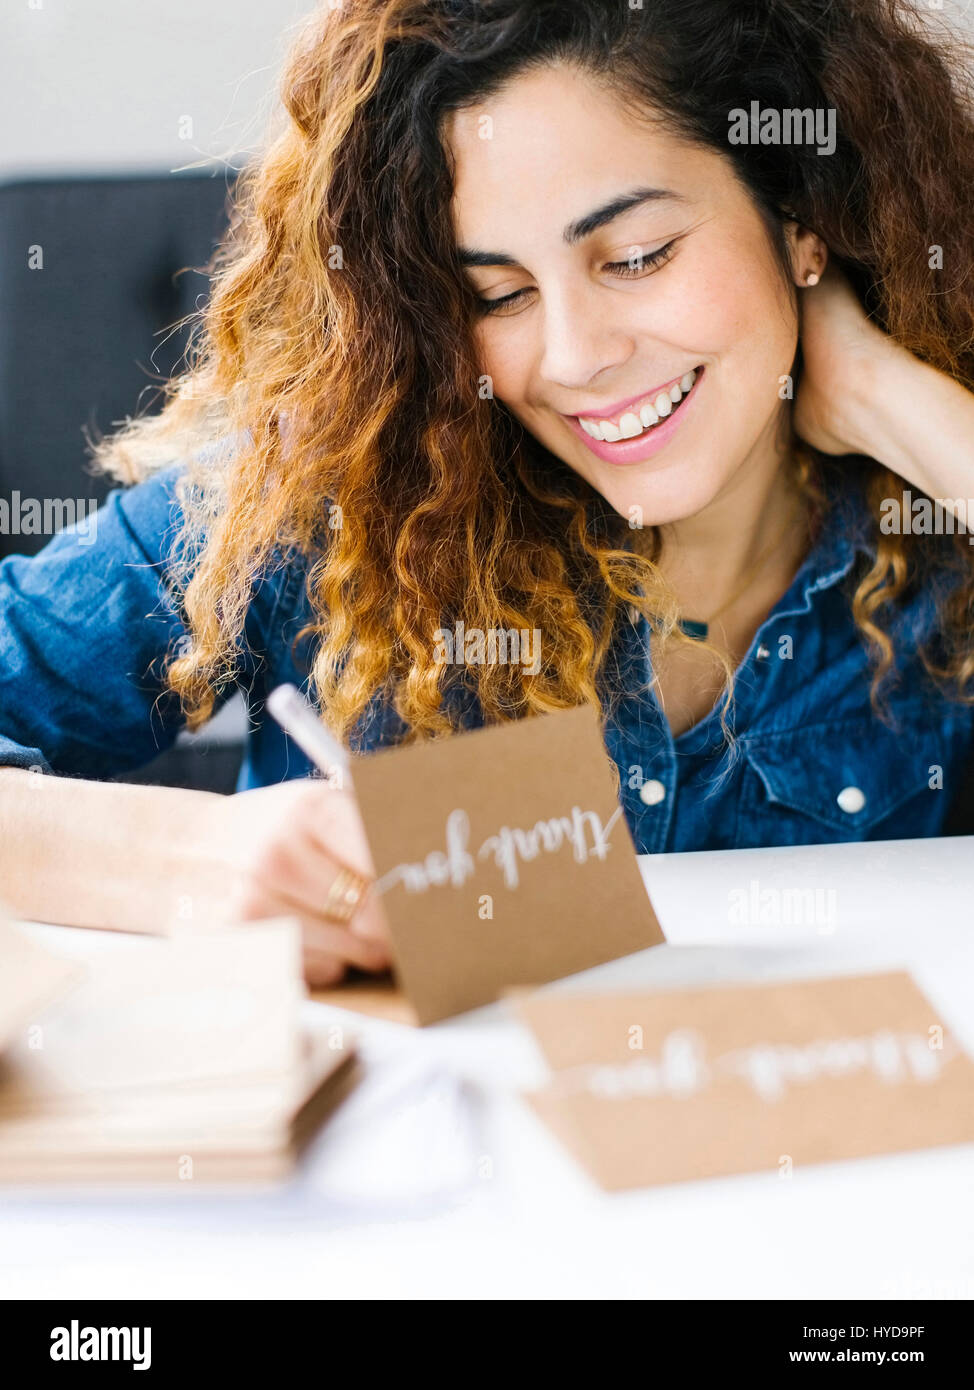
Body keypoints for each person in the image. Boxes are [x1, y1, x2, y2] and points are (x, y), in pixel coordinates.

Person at [2, 0, 973, 984]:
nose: (576, 358)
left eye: (636, 256)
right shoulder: (336, 500)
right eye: (496, 297)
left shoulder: (927, 522)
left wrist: (897, 404)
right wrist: (183, 859)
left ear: (797, 215)